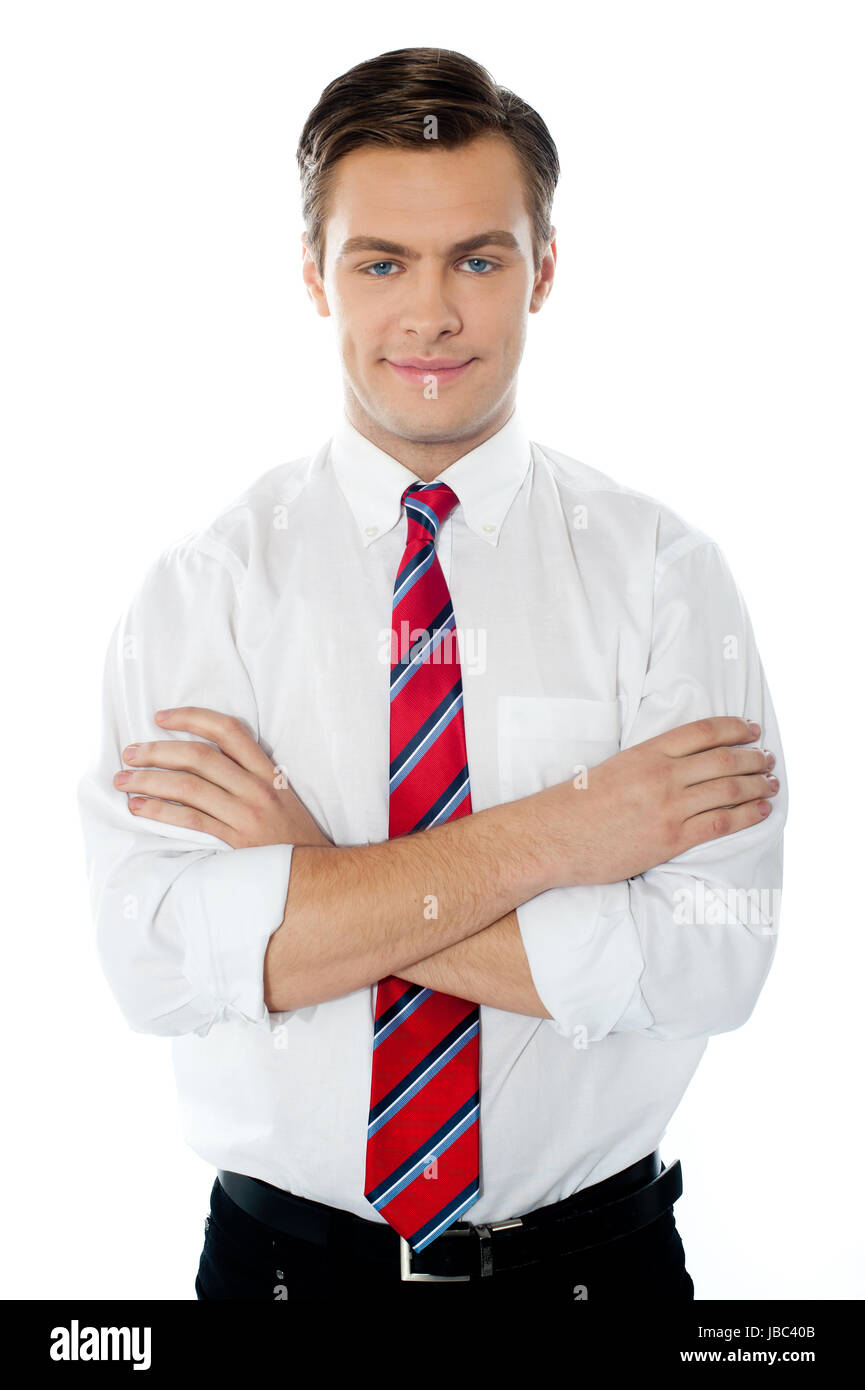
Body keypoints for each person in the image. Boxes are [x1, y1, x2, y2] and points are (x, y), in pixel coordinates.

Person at [76, 46, 786, 1306]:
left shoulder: (667, 576)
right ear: (315, 279)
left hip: (595, 1280)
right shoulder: (203, 593)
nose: (430, 316)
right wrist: (574, 832)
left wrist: (314, 888)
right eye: (381, 263)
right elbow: (161, 968)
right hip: (279, 1280)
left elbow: (704, 969)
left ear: (543, 269)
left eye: (477, 257)